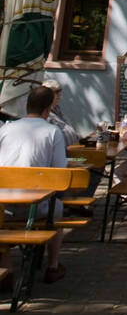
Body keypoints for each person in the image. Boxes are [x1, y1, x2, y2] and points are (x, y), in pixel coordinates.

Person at [0, 84, 67, 282]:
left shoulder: (5, 129)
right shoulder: (53, 132)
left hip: (4, 207)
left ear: (26, 105)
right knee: (58, 208)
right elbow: (59, 177)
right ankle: (53, 265)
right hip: (36, 208)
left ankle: (7, 267)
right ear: (48, 109)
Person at [44, 81, 78, 148]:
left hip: (71, 152)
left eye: (59, 92)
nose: (59, 95)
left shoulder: (57, 110)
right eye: (56, 92)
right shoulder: (45, 113)